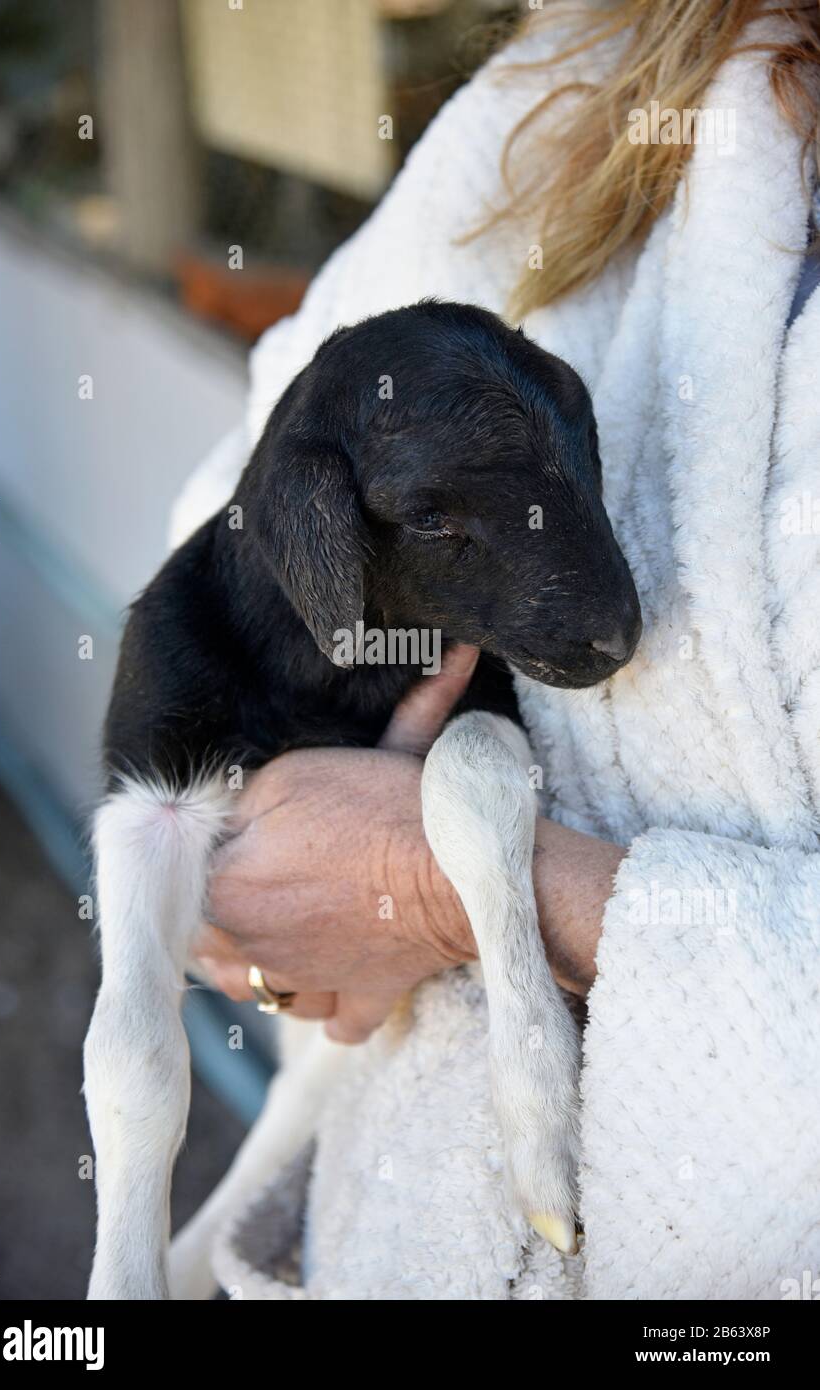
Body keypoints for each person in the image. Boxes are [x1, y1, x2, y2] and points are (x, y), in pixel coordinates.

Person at [170, 0, 820, 1298]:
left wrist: (441, 880)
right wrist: (246, 858)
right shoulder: (584, 79)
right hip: (404, 1230)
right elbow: (226, 537)